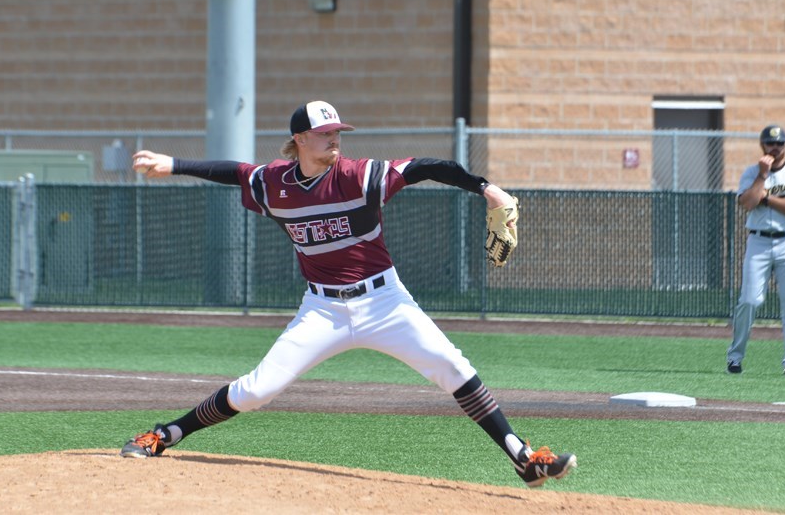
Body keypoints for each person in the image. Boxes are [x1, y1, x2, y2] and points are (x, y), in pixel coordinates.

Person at [121, 100, 576, 487]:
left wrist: (487, 189)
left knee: (452, 367)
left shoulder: (361, 176)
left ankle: (523, 457)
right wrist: (174, 164)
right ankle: (166, 434)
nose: (334, 139)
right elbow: (233, 171)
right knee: (257, 390)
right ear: (299, 138)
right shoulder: (274, 185)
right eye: (324, 133)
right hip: (322, 309)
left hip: (385, 302)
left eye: (337, 131)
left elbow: (427, 167)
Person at [727, 125, 785, 376]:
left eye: (780, 143)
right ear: (762, 145)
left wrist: (766, 198)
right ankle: (735, 357)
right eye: (770, 143)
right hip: (759, 242)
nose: (775, 147)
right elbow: (747, 203)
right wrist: (762, 177)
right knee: (749, 300)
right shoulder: (752, 173)